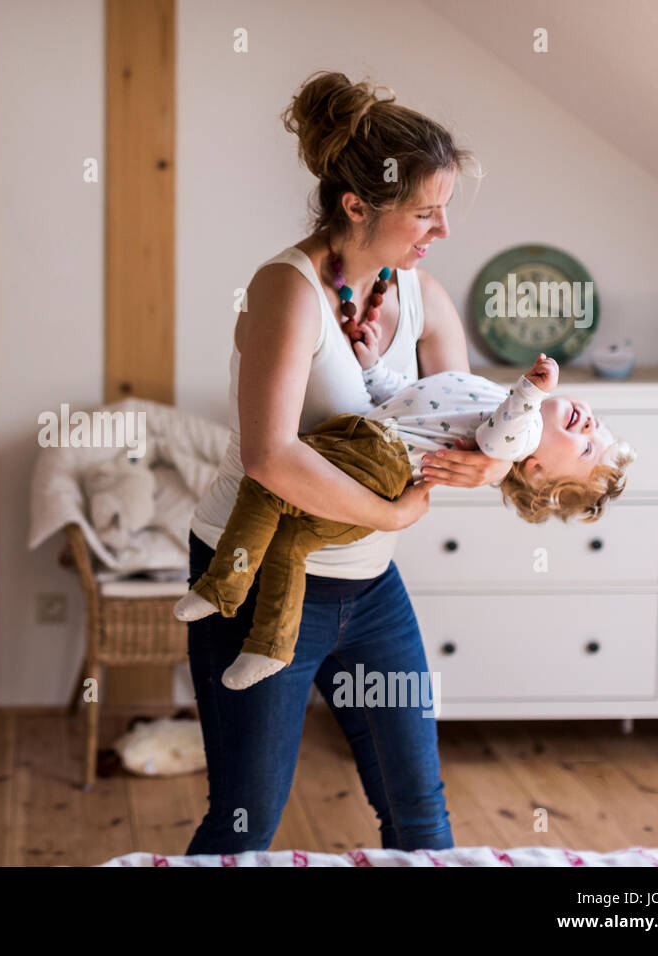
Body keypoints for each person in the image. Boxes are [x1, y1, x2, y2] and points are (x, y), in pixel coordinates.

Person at [186, 70, 520, 853]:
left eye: (445, 211)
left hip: (370, 587)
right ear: (357, 206)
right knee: (246, 822)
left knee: (420, 817)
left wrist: (495, 468)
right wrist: (400, 513)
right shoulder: (286, 291)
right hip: (261, 572)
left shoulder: (425, 297)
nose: (441, 231)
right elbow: (272, 456)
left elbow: (468, 419)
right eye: (426, 213)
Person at [178, 352, 636, 689]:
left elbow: (503, 437)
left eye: (588, 448)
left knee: (266, 487)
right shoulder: (497, 399)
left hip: (380, 462)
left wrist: (533, 391)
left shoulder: (521, 429)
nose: (590, 426)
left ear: (536, 470)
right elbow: (415, 396)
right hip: (374, 457)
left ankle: (223, 587)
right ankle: (271, 646)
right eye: (599, 426)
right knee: (289, 544)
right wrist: (373, 366)